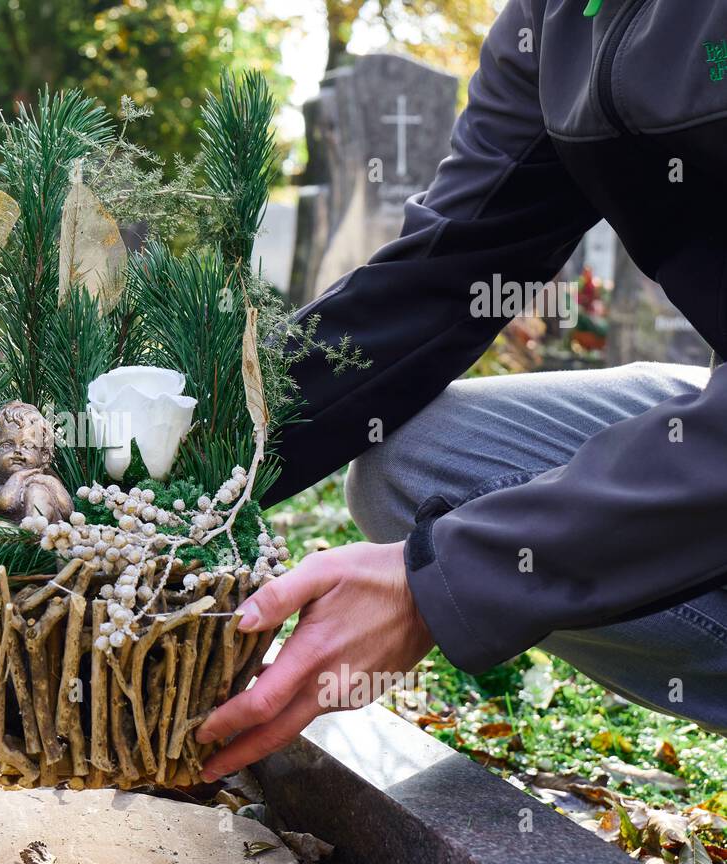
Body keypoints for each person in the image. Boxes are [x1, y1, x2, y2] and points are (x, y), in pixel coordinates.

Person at [197, 0, 727, 781]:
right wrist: (179, 455)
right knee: (418, 465)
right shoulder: (550, 22)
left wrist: (443, 580)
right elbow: (444, 275)